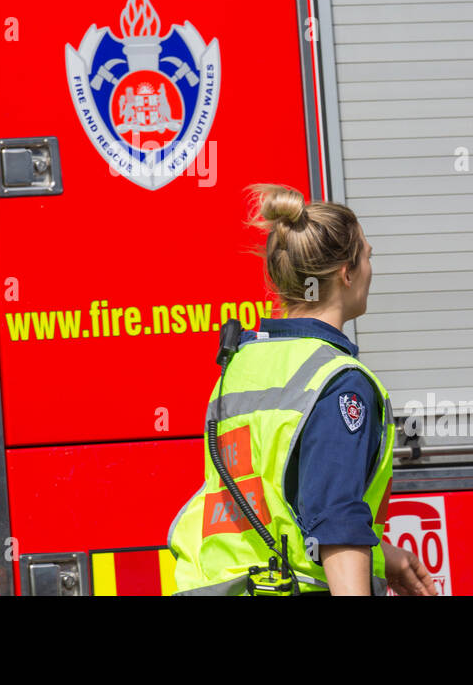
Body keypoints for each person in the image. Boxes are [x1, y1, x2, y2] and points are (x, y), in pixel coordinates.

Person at [168, 183, 437, 596]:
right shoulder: (337, 381)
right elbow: (334, 519)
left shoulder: (240, 366)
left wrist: (383, 555)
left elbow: (280, 507)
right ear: (347, 274)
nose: (372, 261)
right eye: (366, 252)